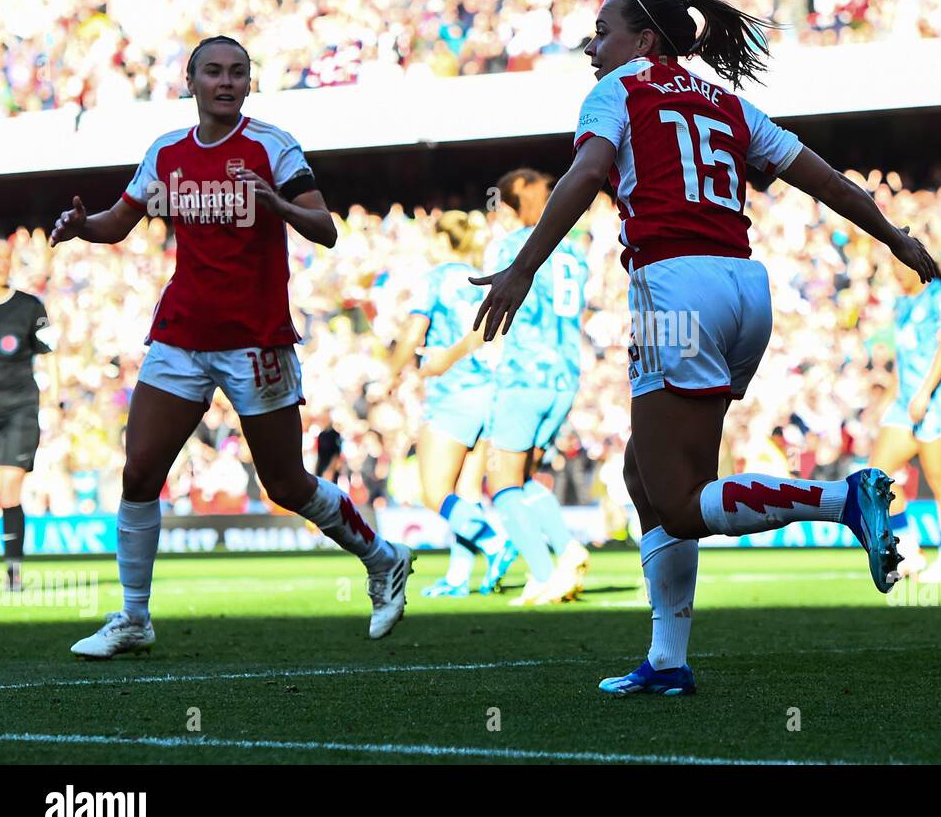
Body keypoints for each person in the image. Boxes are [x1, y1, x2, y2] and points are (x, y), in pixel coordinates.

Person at [472, 0, 936, 695]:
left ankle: (844, 500)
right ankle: (667, 659)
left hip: (674, 287)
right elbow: (829, 183)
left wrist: (521, 268)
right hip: (745, 288)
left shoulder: (619, 92)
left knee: (682, 497)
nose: (591, 48)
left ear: (645, 41)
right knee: (643, 476)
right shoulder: (726, 103)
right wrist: (896, 237)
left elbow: (587, 173)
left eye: (601, 33)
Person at [52, 35, 412, 658]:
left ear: (250, 83)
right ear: (189, 81)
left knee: (286, 484)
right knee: (139, 472)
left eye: (237, 72)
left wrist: (276, 203)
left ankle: (383, 560)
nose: (226, 81)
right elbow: (118, 221)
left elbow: (325, 229)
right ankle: (134, 617)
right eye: (213, 72)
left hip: (256, 340)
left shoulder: (272, 145)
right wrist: (83, 227)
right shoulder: (165, 152)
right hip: (181, 335)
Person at [482, 169, 591, 606]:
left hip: (524, 374)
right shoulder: (575, 250)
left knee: (502, 484)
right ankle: (568, 549)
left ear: (507, 208)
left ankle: (547, 571)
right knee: (524, 477)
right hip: (565, 376)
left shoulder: (509, 246)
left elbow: (493, 307)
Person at [389, 209, 508, 597]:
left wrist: (390, 372)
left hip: (452, 392)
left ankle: (494, 542)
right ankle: (459, 577)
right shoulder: (479, 280)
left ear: (442, 241)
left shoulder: (435, 279)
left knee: (435, 491)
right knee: (467, 491)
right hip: (488, 389)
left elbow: (414, 331)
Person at [871, 260, 941, 583]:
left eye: (900, 267)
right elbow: (903, 357)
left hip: (938, 403)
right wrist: (892, 399)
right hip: (905, 403)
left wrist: (925, 393)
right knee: (877, 477)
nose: (896, 274)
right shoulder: (904, 304)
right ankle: (911, 552)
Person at [0, 239, 56, 592]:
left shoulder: (30, 307)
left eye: (6, 258)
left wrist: (55, 404)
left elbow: (51, 355)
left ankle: (13, 573)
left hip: (19, 408)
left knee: (8, 491)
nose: (1, 264)